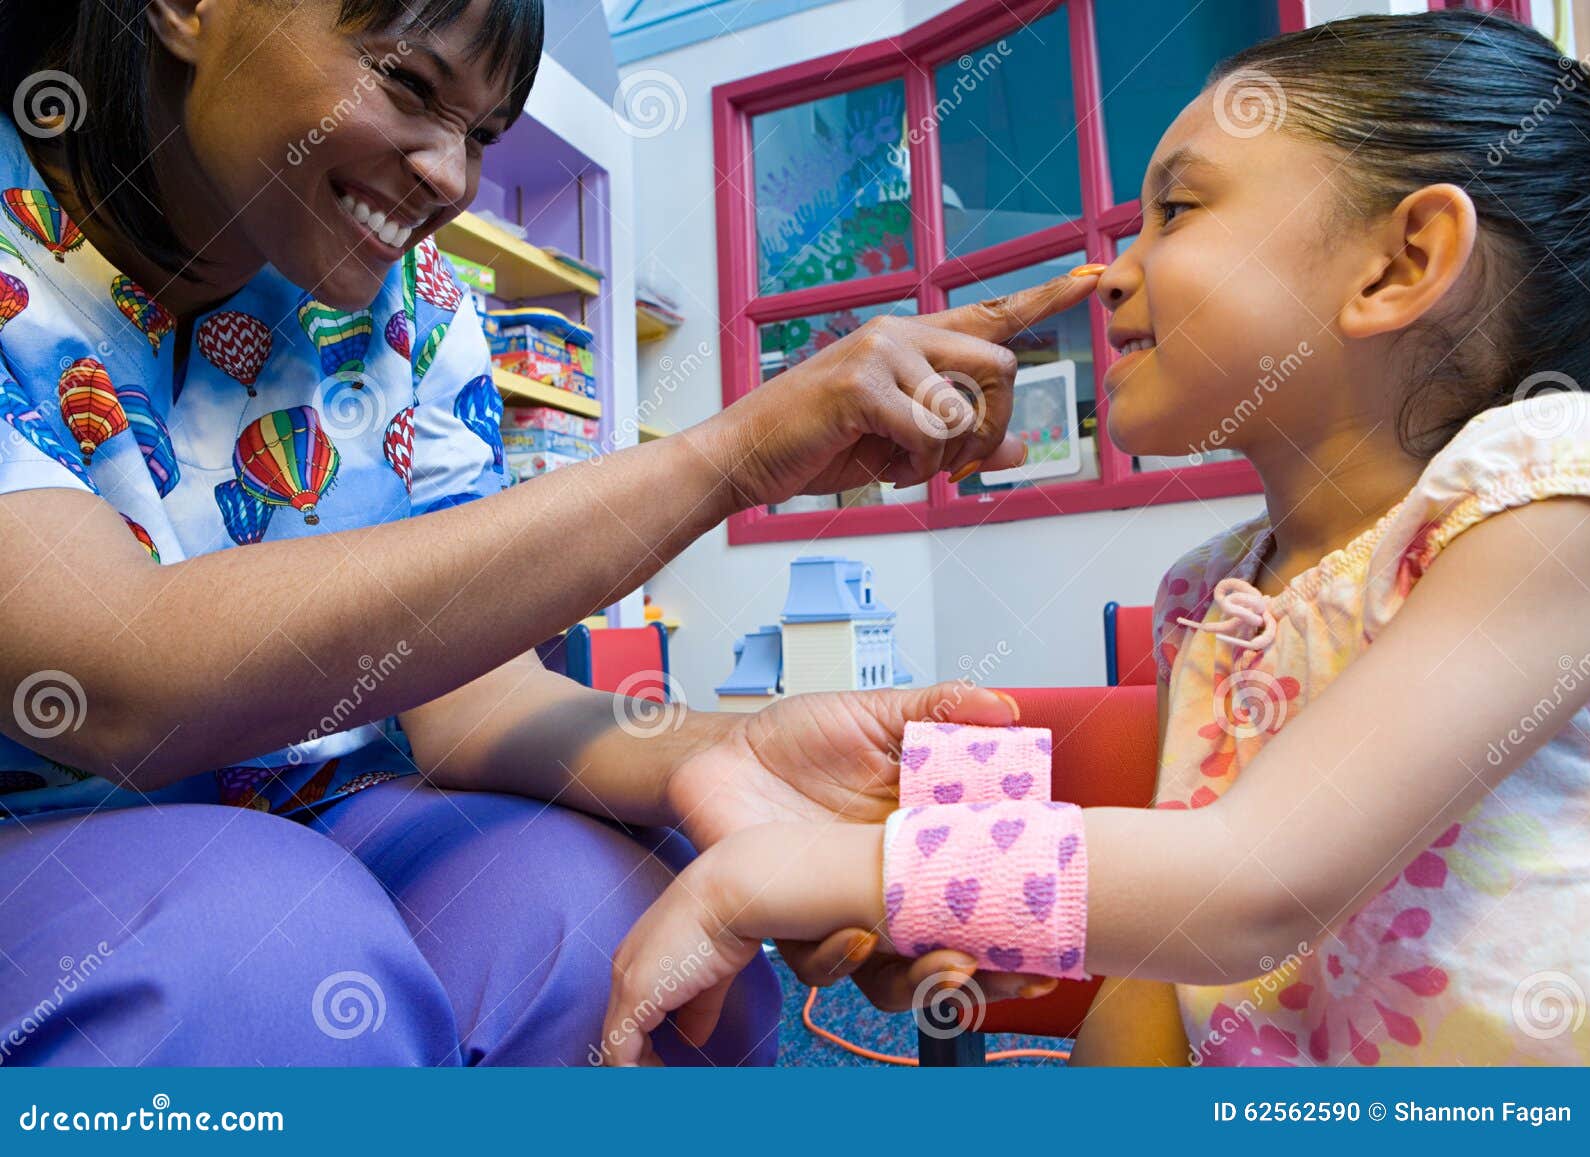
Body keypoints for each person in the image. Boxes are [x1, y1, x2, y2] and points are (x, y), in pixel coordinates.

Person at [0, 0, 1098, 1065]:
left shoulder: (416, 303)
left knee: (612, 929)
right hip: (54, 832)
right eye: (408, 83)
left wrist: (725, 754)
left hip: (332, 806)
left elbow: (466, 691)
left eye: (481, 134)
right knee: (256, 964)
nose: (450, 176)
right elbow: (109, 677)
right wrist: (735, 456)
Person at [597, 10, 1590, 1067]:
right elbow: (1171, 959)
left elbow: (1252, 883)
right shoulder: (1206, 593)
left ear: (1399, 265)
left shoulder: (1548, 493)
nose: (1114, 273)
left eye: (1178, 210)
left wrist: (788, 872)